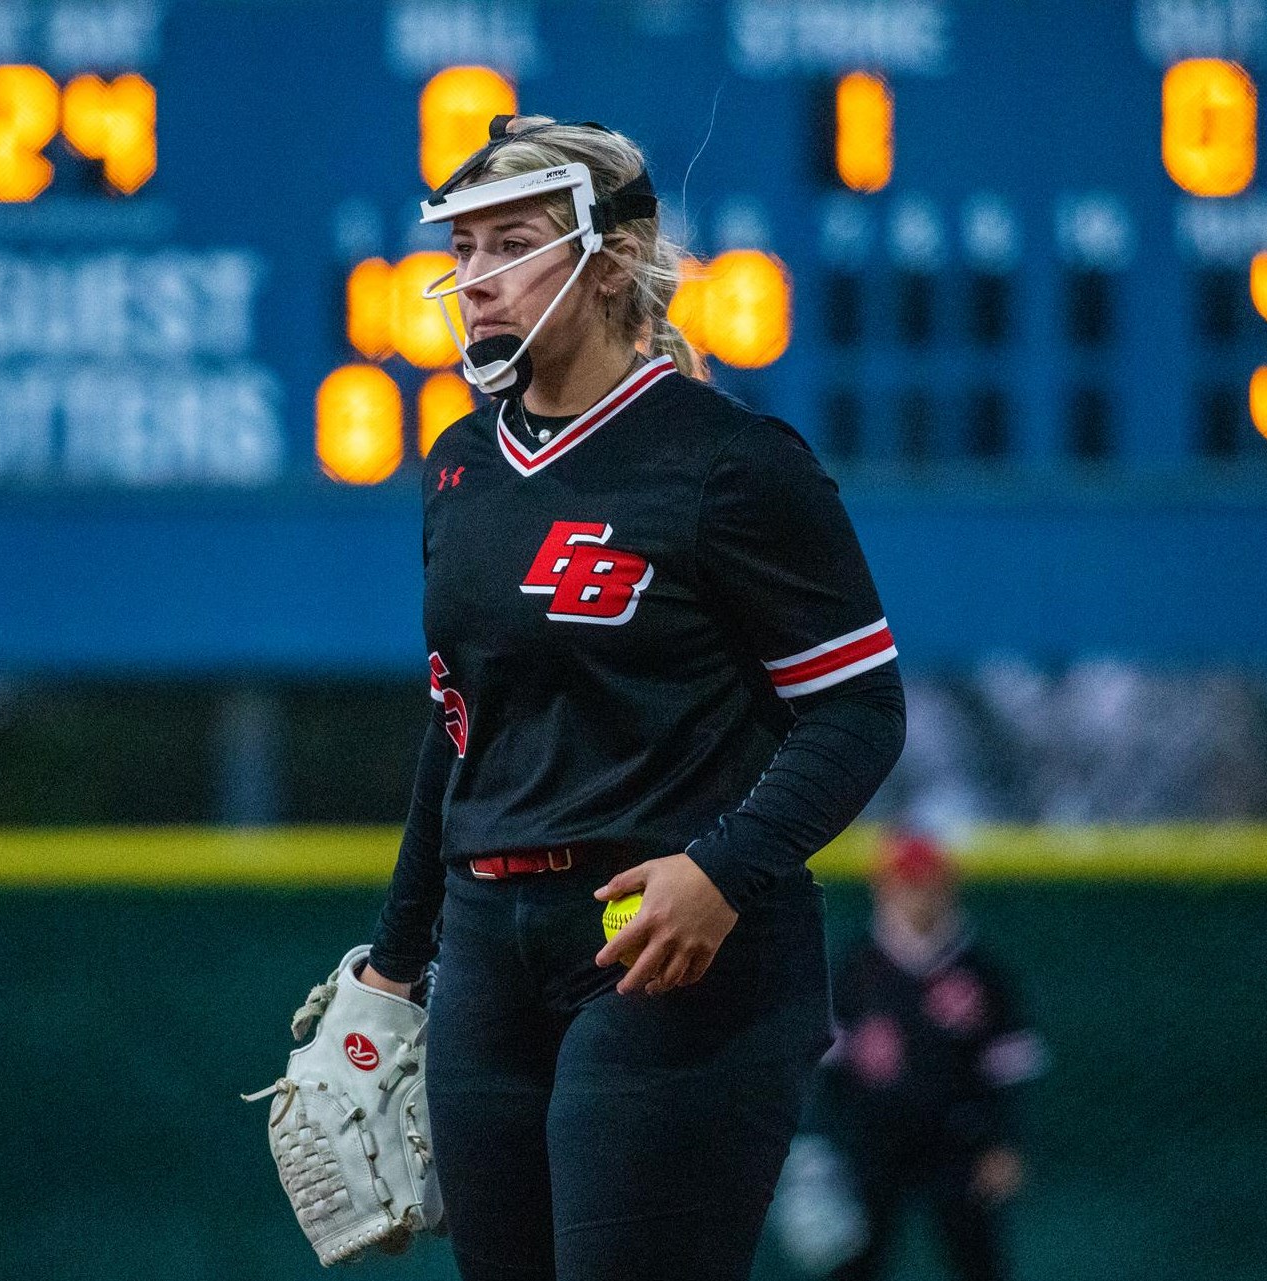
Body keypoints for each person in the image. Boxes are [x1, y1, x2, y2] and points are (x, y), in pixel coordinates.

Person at [355, 114, 908, 1281]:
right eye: (462, 250)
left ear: (607, 261)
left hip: (671, 950)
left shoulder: (731, 464)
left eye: (509, 244)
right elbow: (461, 726)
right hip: (486, 959)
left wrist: (723, 869)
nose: (473, 278)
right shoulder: (457, 463)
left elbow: (860, 710)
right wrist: (392, 963)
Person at [800, 832, 1047, 1281]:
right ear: (883, 889)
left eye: (927, 882)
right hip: (871, 1143)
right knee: (853, 1263)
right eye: (905, 883)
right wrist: (824, 1148)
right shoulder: (853, 969)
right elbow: (826, 1073)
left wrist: (1004, 1142)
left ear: (949, 887)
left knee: (978, 1261)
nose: (916, 895)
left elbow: (1010, 1068)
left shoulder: (982, 971)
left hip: (959, 1142)